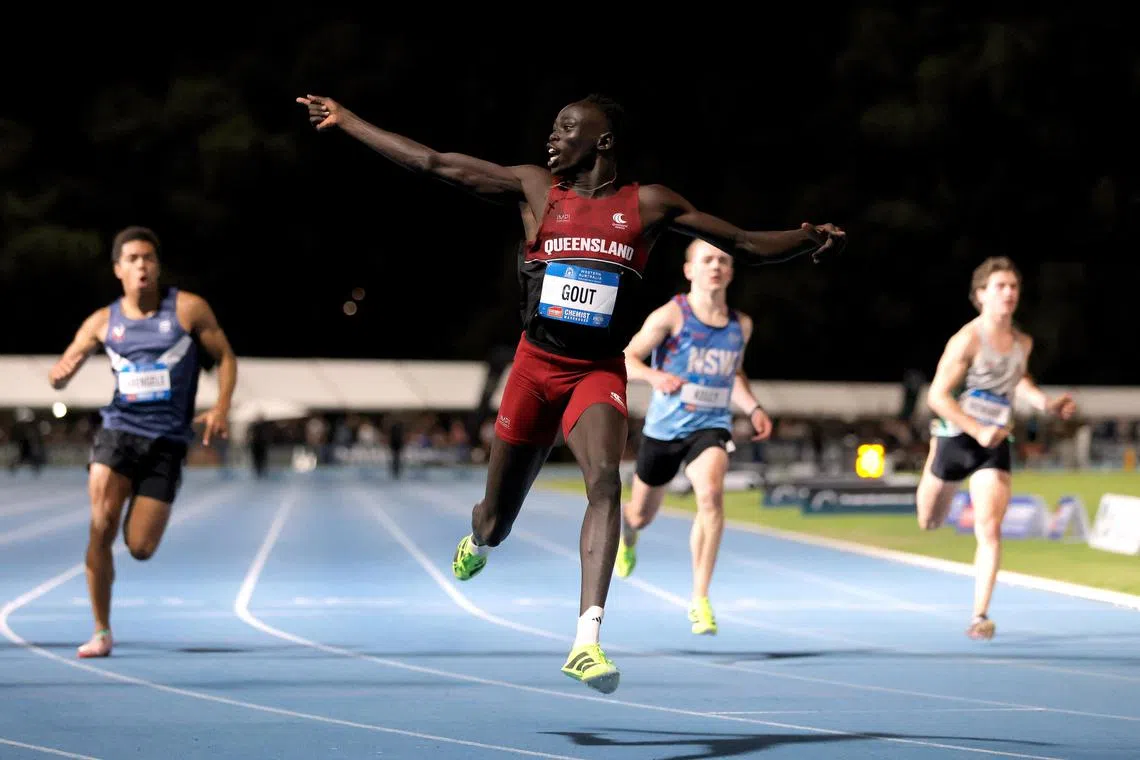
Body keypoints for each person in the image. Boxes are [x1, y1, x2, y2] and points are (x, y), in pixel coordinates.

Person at [296, 92, 845, 693]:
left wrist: (803, 236)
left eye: (565, 129)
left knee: (605, 482)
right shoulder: (537, 189)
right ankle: (478, 538)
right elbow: (435, 162)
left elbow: (738, 239)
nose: (551, 138)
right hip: (534, 370)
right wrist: (348, 121)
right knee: (497, 520)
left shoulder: (649, 204)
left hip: (597, 371)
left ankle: (587, 640)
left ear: (602, 141)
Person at [48, 226, 238, 658]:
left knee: (140, 547)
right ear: (118, 270)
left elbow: (225, 357)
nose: (142, 266)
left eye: (148, 258)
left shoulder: (188, 310)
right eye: (132, 259)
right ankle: (101, 631)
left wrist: (222, 406)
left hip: (167, 441)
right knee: (100, 526)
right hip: (118, 433)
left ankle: (134, 510)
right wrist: (60, 377)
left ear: (158, 265)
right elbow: (65, 366)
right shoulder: (102, 322)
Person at [615, 238, 773, 636]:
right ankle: (628, 536)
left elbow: (732, 374)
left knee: (710, 495)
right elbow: (625, 358)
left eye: (722, 260)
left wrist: (752, 407)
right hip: (664, 429)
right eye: (707, 259)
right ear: (690, 270)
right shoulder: (672, 315)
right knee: (639, 514)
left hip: (711, 425)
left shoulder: (742, 325)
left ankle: (700, 598)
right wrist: (655, 376)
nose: (715, 265)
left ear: (731, 271)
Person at [916, 256, 1074, 640]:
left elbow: (1019, 381)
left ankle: (979, 616)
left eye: (1014, 287)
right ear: (981, 295)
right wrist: (975, 428)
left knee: (990, 527)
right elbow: (936, 396)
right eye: (1000, 286)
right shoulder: (966, 340)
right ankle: (933, 473)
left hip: (995, 442)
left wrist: (1046, 404)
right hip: (954, 438)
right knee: (929, 521)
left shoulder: (1023, 342)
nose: (1009, 293)